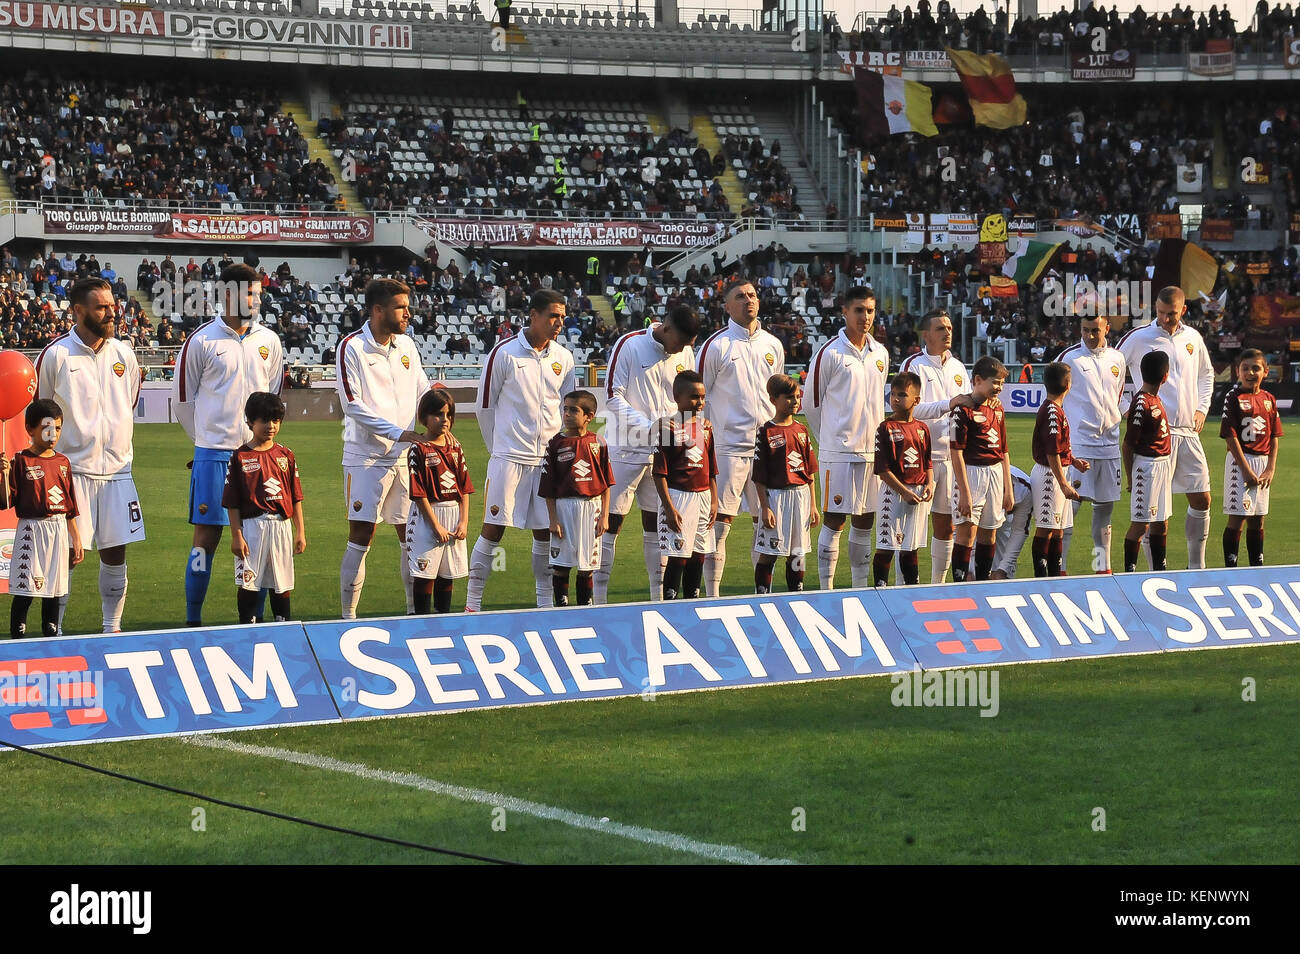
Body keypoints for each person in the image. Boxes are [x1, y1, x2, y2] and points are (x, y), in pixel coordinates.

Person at [175, 263, 284, 627]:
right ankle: (192, 617)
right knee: (204, 543)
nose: (256, 300)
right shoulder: (202, 341)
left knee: (261, 539)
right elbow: (183, 403)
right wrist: (206, 442)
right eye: (250, 293)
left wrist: (257, 443)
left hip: (258, 457)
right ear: (227, 295)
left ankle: (257, 619)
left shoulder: (269, 341)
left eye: (258, 293)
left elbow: (273, 398)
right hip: (214, 456)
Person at [35, 277, 143, 633]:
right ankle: (56, 629)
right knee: (66, 556)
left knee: (116, 552)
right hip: (72, 472)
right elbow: (42, 414)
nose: (112, 313)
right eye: (102, 307)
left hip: (117, 471)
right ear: (79, 310)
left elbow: (127, 402)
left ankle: (111, 628)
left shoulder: (125, 354)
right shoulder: (56, 355)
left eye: (112, 306)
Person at [467, 289, 574, 611]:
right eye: (554, 316)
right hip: (509, 459)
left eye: (563, 317)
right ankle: (473, 604)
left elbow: (567, 408)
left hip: (546, 462)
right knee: (493, 528)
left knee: (546, 533)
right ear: (534, 316)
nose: (559, 323)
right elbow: (483, 407)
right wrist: (498, 449)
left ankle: (544, 604)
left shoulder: (564, 358)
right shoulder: (504, 353)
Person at [336, 279, 430, 620]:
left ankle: (412, 613)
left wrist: (438, 415)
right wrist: (400, 433)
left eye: (407, 306)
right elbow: (352, 405)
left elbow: (423, 390)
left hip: (405, 458)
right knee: (362, 536)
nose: (408, 313)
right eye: (401, 307)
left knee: (410, 537)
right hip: (366, 458)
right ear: (378, 310)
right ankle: (348, 617)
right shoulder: (352, 348)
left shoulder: (407, 346)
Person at [597, 304, 699, 603]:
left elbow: (685, 398)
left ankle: (658, 599)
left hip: (663, 455)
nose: (680, 349)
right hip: (624, 449)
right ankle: (599, 600)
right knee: (609, 526)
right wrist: (649, 427)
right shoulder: (630, 344)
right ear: (666, 328)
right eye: (679, 342)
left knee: (658, 526)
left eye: (686, 346)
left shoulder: (685, 352)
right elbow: (613, 396)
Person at [697, 279, 784, 597]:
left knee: (767, 524)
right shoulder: (716, 346)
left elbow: (779, 398)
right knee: (719, 525)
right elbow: (699, 400)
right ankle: (712, 595)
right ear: (727, 306)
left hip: (767, 451)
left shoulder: (773, 345)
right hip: (728, 448)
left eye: (752, 295)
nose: (748, 300)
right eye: (740, 296)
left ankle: (763, 594)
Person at [1117, 286, 1214, 569]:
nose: (1165, 319)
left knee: (1202, 498)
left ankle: (1197, 567)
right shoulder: (1138, 337)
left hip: (1187, 432)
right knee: (1157, 514)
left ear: (1183, 310)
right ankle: (1154, 570)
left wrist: (1201, 409)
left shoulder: (1193, 338)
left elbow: (1206, 375)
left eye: (1171, 314)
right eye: (1160, 313)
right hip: (1155, 438)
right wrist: (1127, 408)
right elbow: (1113, 372)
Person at [804, 286, 890, 590]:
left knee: (865, 520)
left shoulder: (881, 353)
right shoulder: (830, 352)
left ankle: (858, 587)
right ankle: (827, 589)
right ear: (844, 312)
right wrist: (829, 439)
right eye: (858, 310)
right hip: (838, 453)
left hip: (872, 454)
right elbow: (810, 404)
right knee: (835, 520)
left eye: (869, 310)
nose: (864, 317)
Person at [900, 309, 975, 582]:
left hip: (952, 458)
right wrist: (949, 404)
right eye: (941, 328)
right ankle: (904, 587)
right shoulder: (914, 366)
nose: (947, 332)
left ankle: (937, 585)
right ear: (926, 334)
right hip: (919, 457)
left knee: (946, 526)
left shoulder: (958, 368)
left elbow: (964, 408)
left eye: (950, 327)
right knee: (911, 529)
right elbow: (909, 409)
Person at [0, 399, 83, 638]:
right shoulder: (20, 461)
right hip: (31, 530)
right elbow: (5, 501)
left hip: (58, 530)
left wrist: (75, 538)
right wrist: (2, 475)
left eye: (57, 428)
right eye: (47, 428)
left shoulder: (63, 463)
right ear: (30, 429)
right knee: (26, 591)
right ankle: (18, 641)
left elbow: (70, 505)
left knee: (55, 591)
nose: (53, 434)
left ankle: (51, 638)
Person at [223, 392, 305, 624]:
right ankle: (246, 626)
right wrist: (236, 537)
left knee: (282, 581)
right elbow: (232, 502)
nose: (271, 426)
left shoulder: (286, 455)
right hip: (252, 527)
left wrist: (300, 532)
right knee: (249, 581)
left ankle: (283, 624)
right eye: (264, 420)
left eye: (276, 421)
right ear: (250, 421)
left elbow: (296, 496)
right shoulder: (239, 457)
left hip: (281, 525)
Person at [1057, 314, 1127, 574]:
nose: (1089, 336)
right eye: (1085, 330)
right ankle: (1061, 568)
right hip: (1080, 446)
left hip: (1109, 446)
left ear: (1106, 328)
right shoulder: (1069, 359)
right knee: (1070, 507)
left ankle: (1101, 567)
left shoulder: (1117, 359)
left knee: (1104, 510)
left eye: (1095, 330)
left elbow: (1117, 395)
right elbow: (1056, 401)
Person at [540, 390, 615, 607]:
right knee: (561, 565)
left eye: (574, 410)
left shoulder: (598, 443)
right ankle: (561, 607)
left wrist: (605, 517)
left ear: (589, 416)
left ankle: (586, 608)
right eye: (565, 409)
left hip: (592, 509)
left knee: (586, 566)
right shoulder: (555, 444)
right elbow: (548, 487)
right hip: (564, 508)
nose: (567, 414)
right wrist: (553, 519)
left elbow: (606, 483)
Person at [406, 388, 474, 615]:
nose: (444, 420)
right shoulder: (418, 449)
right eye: (437, 414)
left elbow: (465, 487)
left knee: (448, 574)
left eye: (448, 414)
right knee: (425, 574)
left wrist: (463, 522)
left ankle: (443, 621)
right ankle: (421, 621)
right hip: (428, 517)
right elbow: (419, 493)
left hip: (453, 514)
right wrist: (435, 525)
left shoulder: (456, 447)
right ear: (424, 417)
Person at [653, 370, 717, 600]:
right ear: (676, 396)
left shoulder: (706, 428)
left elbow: (711, 470)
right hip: (678, 497)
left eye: (702, 397)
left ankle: (693, 602)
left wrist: (714, 501)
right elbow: (659, 473)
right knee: (678, 555)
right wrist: (669, 508)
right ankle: (670, 605)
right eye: (693, 397)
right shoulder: (667, 428)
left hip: (703, 497)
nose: (699, 402)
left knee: (699, 555)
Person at [753, 374, 820, 594]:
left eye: (797, 397)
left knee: (798, 552)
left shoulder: (801, 430)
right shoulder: (766, 431)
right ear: (773, 399)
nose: (795, 402)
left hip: (800, 496)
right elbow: (759, 476)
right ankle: (762, 595)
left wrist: (813, 505)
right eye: (789, 397)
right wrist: (764, 507)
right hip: (776, 497)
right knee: (769, 552)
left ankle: (796, 593)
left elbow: (809, 472)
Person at [948, 356, 1012, 582]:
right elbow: (956, 453)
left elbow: (1004, 450)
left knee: (990, 531)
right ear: (977, 380)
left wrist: (1008, 489)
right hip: (971, 474)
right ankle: (959, 584)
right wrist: (964, 492)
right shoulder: (961, 411)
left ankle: (982, 584)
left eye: (1002, 384)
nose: (999, 388)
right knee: (966, 532)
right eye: (995, 382)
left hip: (994, 474)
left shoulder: (998, 409)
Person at [870, 372, 934, 586]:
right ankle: (880, 590)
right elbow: (882, 469)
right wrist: (903, 492)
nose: (895, 399)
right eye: (893, 394)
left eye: (902, 395)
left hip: (916, 493)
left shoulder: (922, 429)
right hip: (893, 493)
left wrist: (929, 483)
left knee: (911, 546)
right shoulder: (885, 428)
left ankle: (911, 590)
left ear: (916, 400)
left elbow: (927, 462)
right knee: (886, 545)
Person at [1220, 349, 1281, 567]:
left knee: (1258, 518)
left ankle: (1257, 566)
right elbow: (1230, 436)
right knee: (1238, 518)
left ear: (1265, 371)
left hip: (1262, 463)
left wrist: (1270, 469)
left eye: (1256, 368)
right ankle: (1231, 566)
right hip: (1240, 462)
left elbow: (1274, 437)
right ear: (1238, 371)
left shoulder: (1269, 399)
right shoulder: (1233, 397)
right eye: (1245, 368)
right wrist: (1245, 469)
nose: (1250, 372)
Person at [1030, 362, 1088, 577]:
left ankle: (1055, 577)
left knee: (1058, 530)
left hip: (1057, 472)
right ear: (1067, 384)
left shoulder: (1055, 409)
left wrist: (1073, 461)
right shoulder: (1052, 411)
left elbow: (1057, 447)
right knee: (1046, 529)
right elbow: (1051, 452)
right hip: (1049, 476)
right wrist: (1063, 483)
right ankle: (1042, 579)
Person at [1122, 351, 1173, 573]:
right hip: (1147, 467)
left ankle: (1159, 570)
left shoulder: (1154, 398)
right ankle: (1129, 572)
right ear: (1166, 376)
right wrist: (1131, 477)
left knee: (1161, 521)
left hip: (1162, 464)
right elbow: (1128, 444)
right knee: (1141, 523)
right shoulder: (1142, 402)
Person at [990, 466, 1033, 579]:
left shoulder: (1025, 490)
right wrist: (970, 570)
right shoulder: (982, 486)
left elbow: (1019, 531)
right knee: (974, 574)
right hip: (980, 514)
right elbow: (966, 533)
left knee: (1002, 576)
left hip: (1006, 522)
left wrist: (1003, 570)